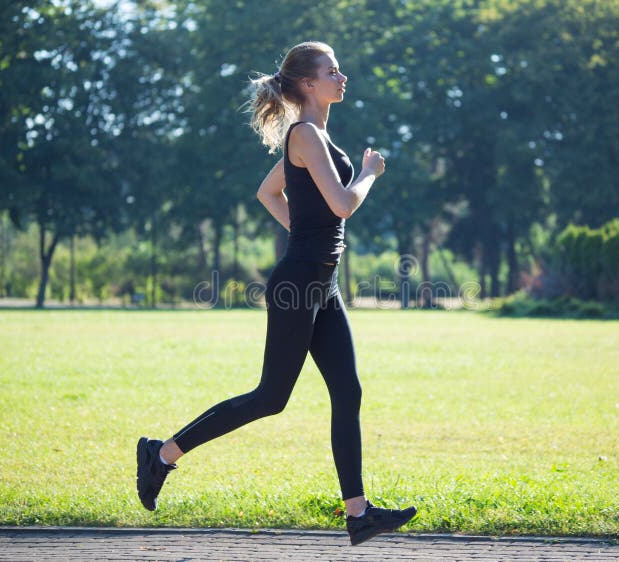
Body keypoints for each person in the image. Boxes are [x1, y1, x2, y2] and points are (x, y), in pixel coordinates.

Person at [136, 41, 416, 546]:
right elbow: (343, 204)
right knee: (270, 397)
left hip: (320, 282)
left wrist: (305, 234)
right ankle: (161, 454)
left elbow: (271, 193)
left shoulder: (318, 138)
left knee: (347, 391)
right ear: (308, 84)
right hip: (297, 285)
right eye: (332, 70)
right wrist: (371, 173)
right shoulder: (306, 134)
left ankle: (358, 514)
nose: (342, 76)